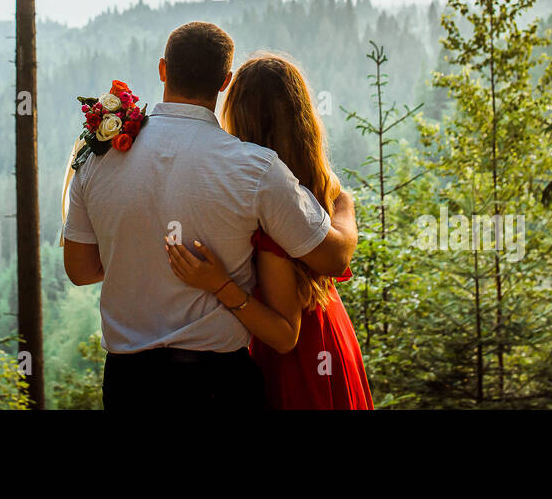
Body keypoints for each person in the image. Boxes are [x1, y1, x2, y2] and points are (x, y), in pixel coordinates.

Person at [61, 21, 358, 410]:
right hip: (217, 384)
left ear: (163, 69)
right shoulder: (257, 169)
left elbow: (81, 270)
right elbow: (334, 258)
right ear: (225, 82)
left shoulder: (100, 157)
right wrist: (344, 204)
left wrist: (141, 253)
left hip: (130, 384)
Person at [166, 52, 373, 409]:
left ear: (238, 114)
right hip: (330, 334)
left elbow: (284, 335)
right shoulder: (315, 188)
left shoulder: (263, 201)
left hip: (289, 359)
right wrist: (343, 202)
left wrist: (221, 285)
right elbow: (337, 255)